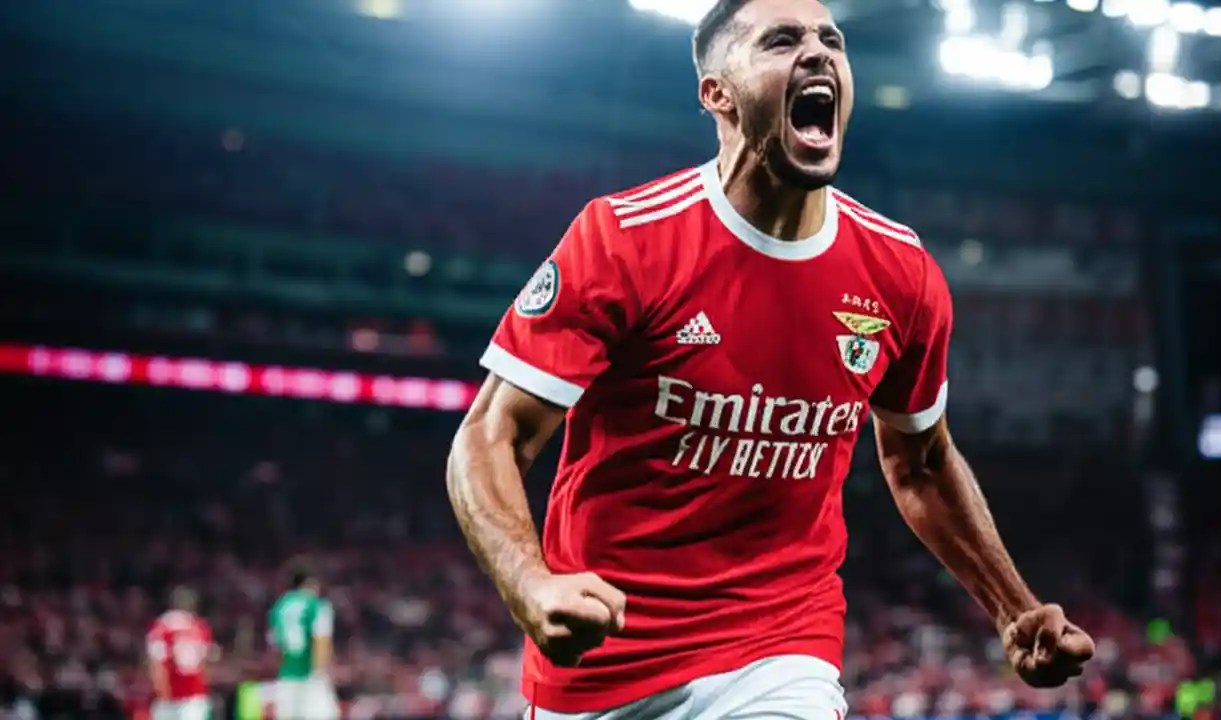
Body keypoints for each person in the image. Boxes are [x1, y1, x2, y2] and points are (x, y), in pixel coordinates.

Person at [447, 0, 1096, 717]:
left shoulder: (899, 273)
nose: (817, 54)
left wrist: (1013, 607)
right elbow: (489, 434)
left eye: (831, 41)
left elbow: (922, 462)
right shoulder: (624, 241)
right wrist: (530, 583)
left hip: (781, 651)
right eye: (782, 41)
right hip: (603, 662)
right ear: (717, 94)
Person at [267, 562, 339, 720]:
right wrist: (320, 672)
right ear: (311, 582)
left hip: (286, 678)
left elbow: (275, 649)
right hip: (311, 677)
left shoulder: (278, 608)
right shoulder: (317, 606)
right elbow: (321, 641)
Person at [146, 587, 216, 720]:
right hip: (195, 696)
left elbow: (157, 665)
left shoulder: (161, 627)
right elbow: (206, 665)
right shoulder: (200, 627)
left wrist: (163, 695)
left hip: (169, 698)